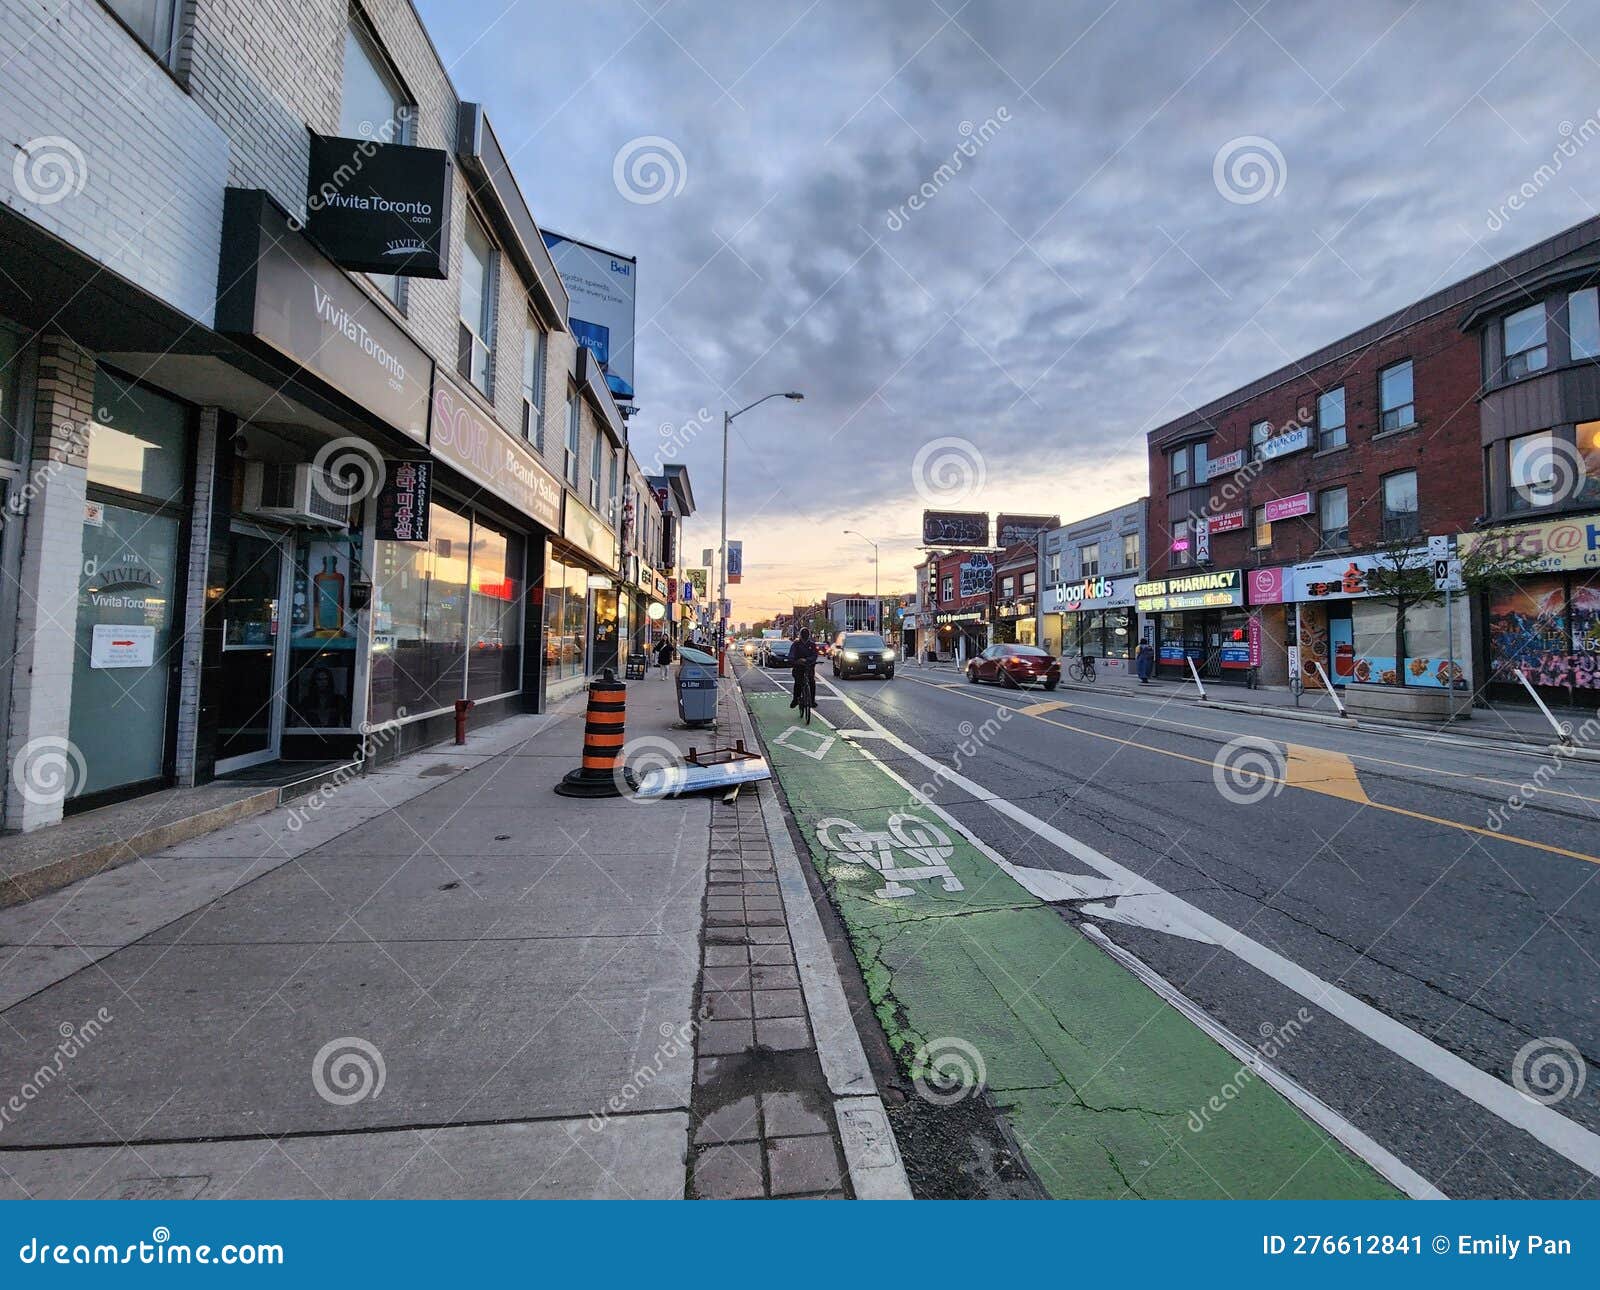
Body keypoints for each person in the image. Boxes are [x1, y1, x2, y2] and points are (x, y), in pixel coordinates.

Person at [789, 627, 819, 724]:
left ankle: (812, 701)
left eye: (806, 635)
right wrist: (795, 661)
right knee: (798, 682)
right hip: (798, 667)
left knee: (812, 682)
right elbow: (791, 655)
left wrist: (807, 660)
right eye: (803, 635)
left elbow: (815, 655)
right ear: (801, 636)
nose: (805, 637)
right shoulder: (796, 644)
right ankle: (795, 699)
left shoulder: (812, 645)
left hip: (809, 667)